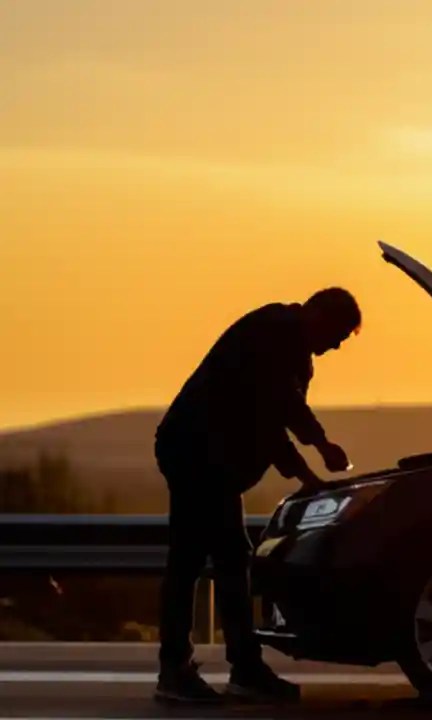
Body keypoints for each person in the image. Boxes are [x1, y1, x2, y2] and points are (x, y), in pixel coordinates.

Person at [152, 288, 361, 704]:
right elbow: (270, 414)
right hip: (196, 453)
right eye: (336, 335)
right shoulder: (273, 333)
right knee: (200, 560)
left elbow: (283, 411)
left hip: (209, 459)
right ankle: (190, 670)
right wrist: (308, 471)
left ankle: (229, 666)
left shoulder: (290, 345)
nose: (334, 347)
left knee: (224, 560)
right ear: (317, 314)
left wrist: (318, 450)